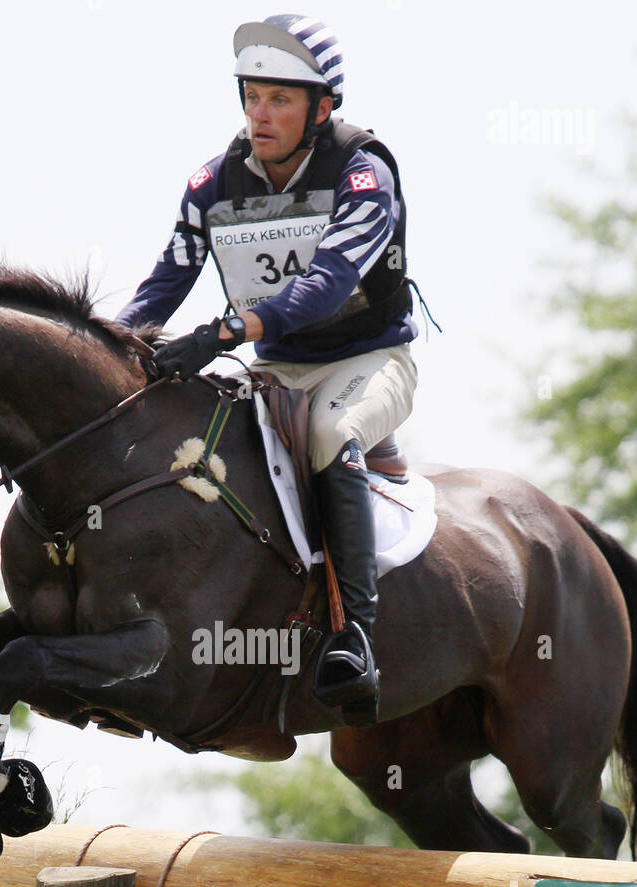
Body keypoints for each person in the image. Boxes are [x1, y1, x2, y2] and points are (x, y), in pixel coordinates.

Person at [115, 14, 419, 724]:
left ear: (322, 108)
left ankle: (354, 642)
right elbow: (165, 283)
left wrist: (223, 331)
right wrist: (113, 346)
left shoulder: (364, 171)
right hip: (276, 364)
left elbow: (328, 283)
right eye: (252, 96)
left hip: (368, 360)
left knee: (325, 433)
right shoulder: (211, 184)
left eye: (279, 100)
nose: (260, 114)